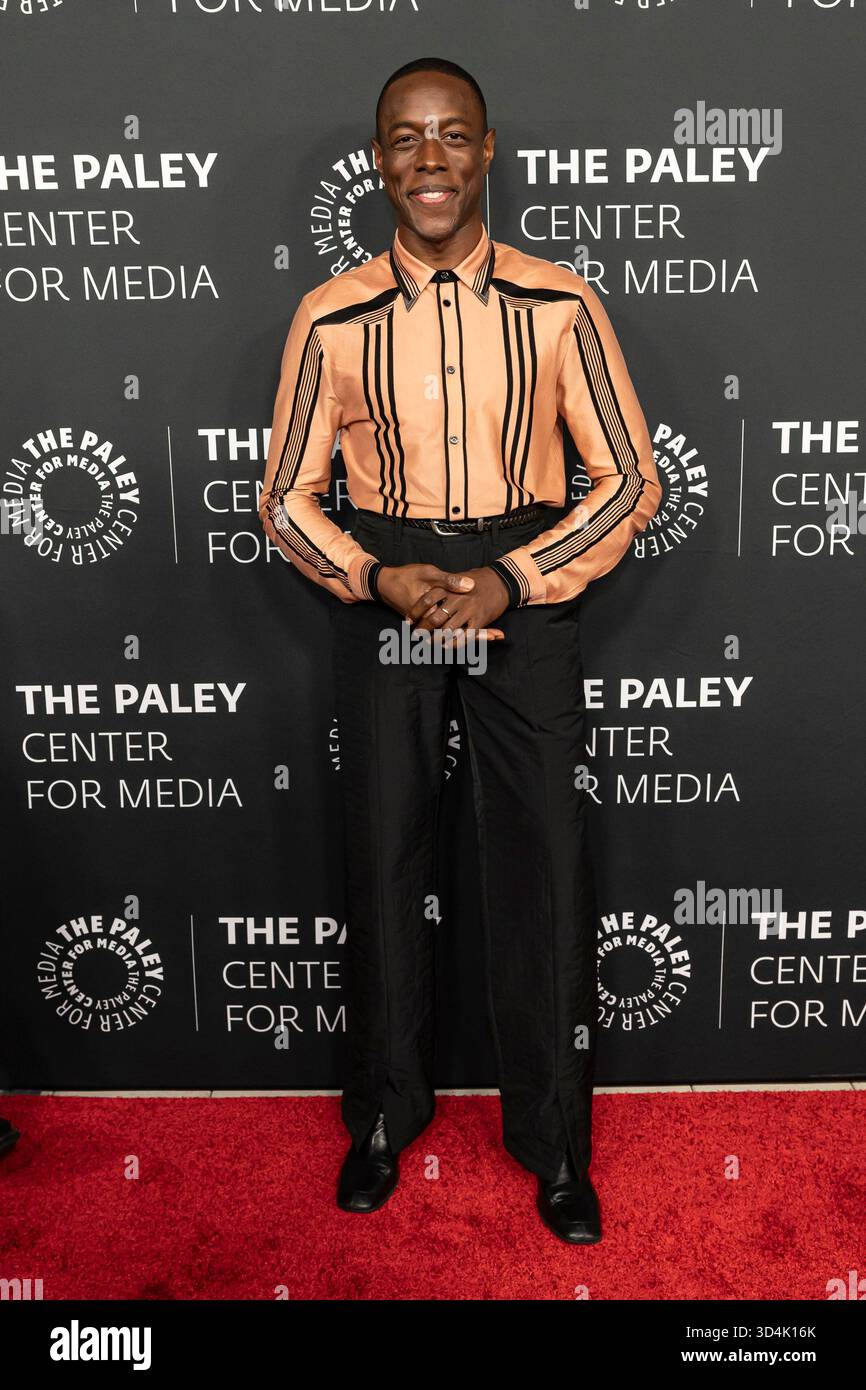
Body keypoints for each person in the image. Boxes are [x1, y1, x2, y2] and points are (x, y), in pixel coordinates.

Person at [258, 57, 661, 1244]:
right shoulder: (329, 314)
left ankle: (553, 1140)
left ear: (488, 152)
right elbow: (284, 497)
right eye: (402, 139)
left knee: (542, 863)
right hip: (386, 598)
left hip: (519, 597)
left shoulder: (558, 304)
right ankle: (383, 1115)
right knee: (384, 852)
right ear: (377, 160)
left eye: (449, 137)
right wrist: (377, 575)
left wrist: (509, 578)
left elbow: (627, 476)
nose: (426, 160)